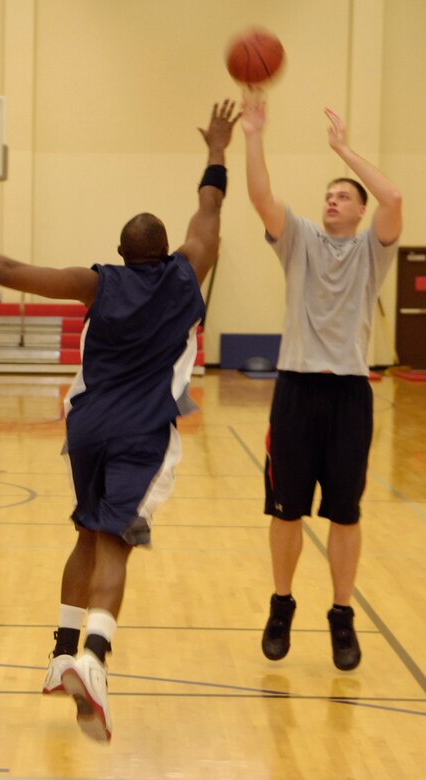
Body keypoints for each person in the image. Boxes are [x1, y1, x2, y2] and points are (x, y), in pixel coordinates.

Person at [0, 98, 241, 740]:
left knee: (87, 532)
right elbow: (210, 209)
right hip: (143, 432)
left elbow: (7, 271)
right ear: (168, 251)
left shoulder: (98, 283)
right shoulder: (190, 272)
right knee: (115, 542)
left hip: (85, 428)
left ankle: (61, 652)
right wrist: (218, 149)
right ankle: (95, 659)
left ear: (119, 252)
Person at [240, 91, 402, 671]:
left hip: (350, 394)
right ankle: (281, 605)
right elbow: (261, 198)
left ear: (359, 211)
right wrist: (254, 136)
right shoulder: (301, 239)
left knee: (345, 513)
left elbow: (394, 197)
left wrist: (343, 150)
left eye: (343, 196)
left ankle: (341, 614)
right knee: (286, 510)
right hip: (296, 390)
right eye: (328, 195)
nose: (332, 200)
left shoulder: (372, 251)